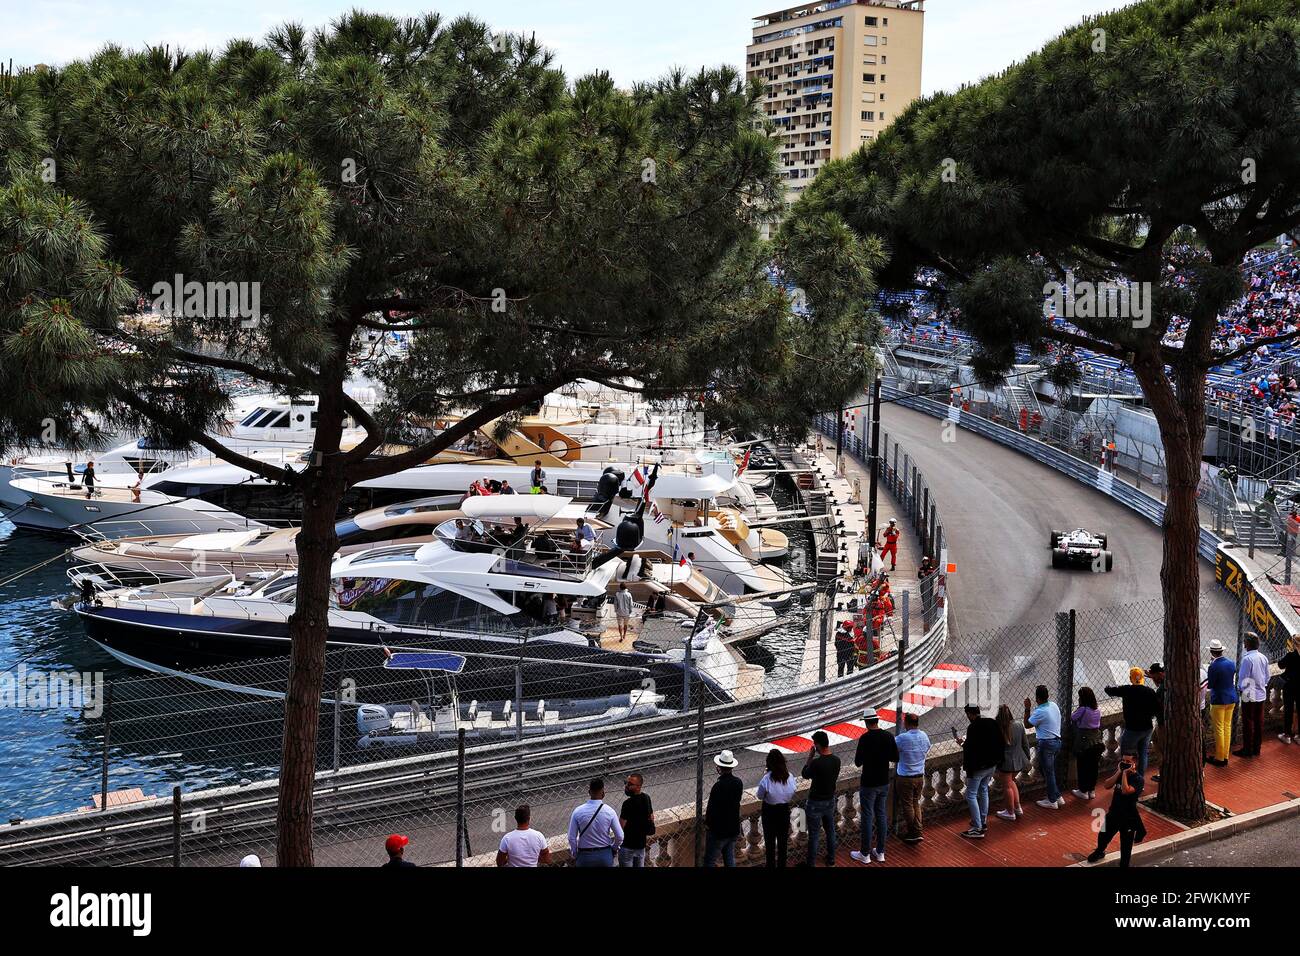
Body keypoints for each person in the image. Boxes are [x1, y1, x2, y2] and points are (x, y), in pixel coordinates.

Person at [850, 708, 897, 864]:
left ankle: (865, 854)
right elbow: (895, 757)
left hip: (869, 782)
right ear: (877, 720)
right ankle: (881, 851)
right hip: (883, 780)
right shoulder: (888, 736)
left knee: (868, 817)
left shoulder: (864, 739)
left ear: (866, 723)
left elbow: (858, 762)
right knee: (881, 815)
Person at [1086, 750, 1147, 868]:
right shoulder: (1119, 773)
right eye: (1123, 760)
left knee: (1126, 844)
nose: (1124, 763)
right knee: (1103, 835)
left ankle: (1124, 864)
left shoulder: (1138, 779)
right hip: (1114, 813)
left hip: (1129, 817)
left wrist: (1124, 774)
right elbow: (1107, 785)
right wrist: (1119, 771)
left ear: (1135, 763)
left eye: (1128, 761)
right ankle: (1100, 851)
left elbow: (1126, 791)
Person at [1104, 667, 1160, 777]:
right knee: (1143, 753)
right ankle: (1140, 779)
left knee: (1126, 754)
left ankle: (1125, 779)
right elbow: (1156, 708)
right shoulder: (1150, 691)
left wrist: (1107, 687)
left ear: (1131, 678)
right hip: (1147, 727)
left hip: (1132, 728)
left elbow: (1109, 691)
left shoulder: (1127, 689)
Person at [956, 704, 1001, 838]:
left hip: (978, 767)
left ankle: (977, 827)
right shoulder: (991, 722)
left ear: (970, 714)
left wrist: (962, 743)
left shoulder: (973, 727)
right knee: (984, 790)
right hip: (991, 764)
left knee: (971, 795)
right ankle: (983, 821)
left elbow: (971, 749)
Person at [801, 731, 842, 866]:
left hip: (815, 802)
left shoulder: (816, 763)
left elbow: (805, 774)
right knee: (830, 830)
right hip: (829, 799)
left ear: (817, 745)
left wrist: (810, 757)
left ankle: (811, 863)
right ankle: (831, 859)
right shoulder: (836, 760)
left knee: (814, 834)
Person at [1024, 685, 1064, 809]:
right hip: (1057, 742)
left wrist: (1027, 708)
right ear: (1048, 696)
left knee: (1048, 772)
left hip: (1046, 744)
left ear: (1037, 698)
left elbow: (1027, 724)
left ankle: (1052, 800)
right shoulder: (1053, 705)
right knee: (1048, 770)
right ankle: (1057, 796)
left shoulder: (1040, 712)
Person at [567, 778, 622, 866]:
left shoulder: (577, 811)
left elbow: (571, 837)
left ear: (589, 792)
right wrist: (613, 849)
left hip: (584, 856)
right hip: (604, 855)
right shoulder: (610, 811)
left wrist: (575, 853)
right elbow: (620, 836)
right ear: (603, 793)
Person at [894, 712, 930, 843]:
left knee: (908, 805)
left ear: (906, 723)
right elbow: (927, 749)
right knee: (916, 803)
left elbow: (893, 752)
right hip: (919, 775)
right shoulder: (924, 735)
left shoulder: (902, 738)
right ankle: (918, 830)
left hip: (905, 776)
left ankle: (913, 832)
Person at [756, 749, 796, 867]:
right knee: (783, 842)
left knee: (770, 843)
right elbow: (793, 790)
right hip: (784, 810)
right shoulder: (790, 777)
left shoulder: (767, 779)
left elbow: (759, 796)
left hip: (769, 811)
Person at [704, 751, 743, 867]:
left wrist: (708, 824)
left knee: (709, 861)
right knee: (729, 858)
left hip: (719, 831)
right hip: (733, 827)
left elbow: (711, 809)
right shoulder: (738, 783)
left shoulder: (718, 786)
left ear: (719, 767)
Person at [1236, 632, 1270, 758]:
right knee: (1258, 721)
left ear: (1247, 644)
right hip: (1261, 693)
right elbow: (1267, 676)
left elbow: (1243, 678)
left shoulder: (1247, 659)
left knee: (1248, 721)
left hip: (1248, 692)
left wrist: (1240, 688)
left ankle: (1247, 749)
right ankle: (1257, 748)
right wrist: (1262, 685)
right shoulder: (1263, 657)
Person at [995, 703, 1030, 821]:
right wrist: (1027, 758)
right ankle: (1017, 808)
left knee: (1007, 786)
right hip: (1019, 761)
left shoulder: (999, 728)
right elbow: (1025, 743)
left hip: (1006, 763)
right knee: (1012, 782)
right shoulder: (1019, 725)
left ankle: (1010, 812)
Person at [1206, 639, 1238, 766]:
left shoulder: (1213, 666)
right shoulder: (1231, 663)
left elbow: (1211, 685)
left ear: (1212, 652)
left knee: (1219, 728)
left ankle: (1220, 758)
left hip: (1219, 699)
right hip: (1231, 698)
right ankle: (1225, 755)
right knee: (1227, 727)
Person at [1070, 687, 1103, 800]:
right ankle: (1091, 790)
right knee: (1093, 767)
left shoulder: (1083, 709)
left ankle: (1083, 791)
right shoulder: (1097, 710)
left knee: (1083, 765)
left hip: (1084, 742)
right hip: (1096, 741)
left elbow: (1073, 717)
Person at [618, 773, 654, 867]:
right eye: (626, 783)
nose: (626, 786)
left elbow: (621, 826)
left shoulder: (627, 803)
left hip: (627, 846)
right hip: (641, 845)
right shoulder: (646, 798)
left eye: (630, 784)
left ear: (638, 787)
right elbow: (651, 817)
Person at [1145, 663, 1167, 781]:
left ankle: (1164, 774)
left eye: (1154, 677)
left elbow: (1156, 707)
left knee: (1162, 748)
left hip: (1163, 723)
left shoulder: (1160, 691)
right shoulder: (1168, 680)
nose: (1153, 680)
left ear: (1159, 674)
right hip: (1163, 721)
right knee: (1155, 739)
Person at [1280, 638, 1300, 744]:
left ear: (1294, 644)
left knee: (1288, 709)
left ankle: (1287, 735)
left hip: (1290, 685)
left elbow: (1280, 665)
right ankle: (1299, 736)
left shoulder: (1290, 655)